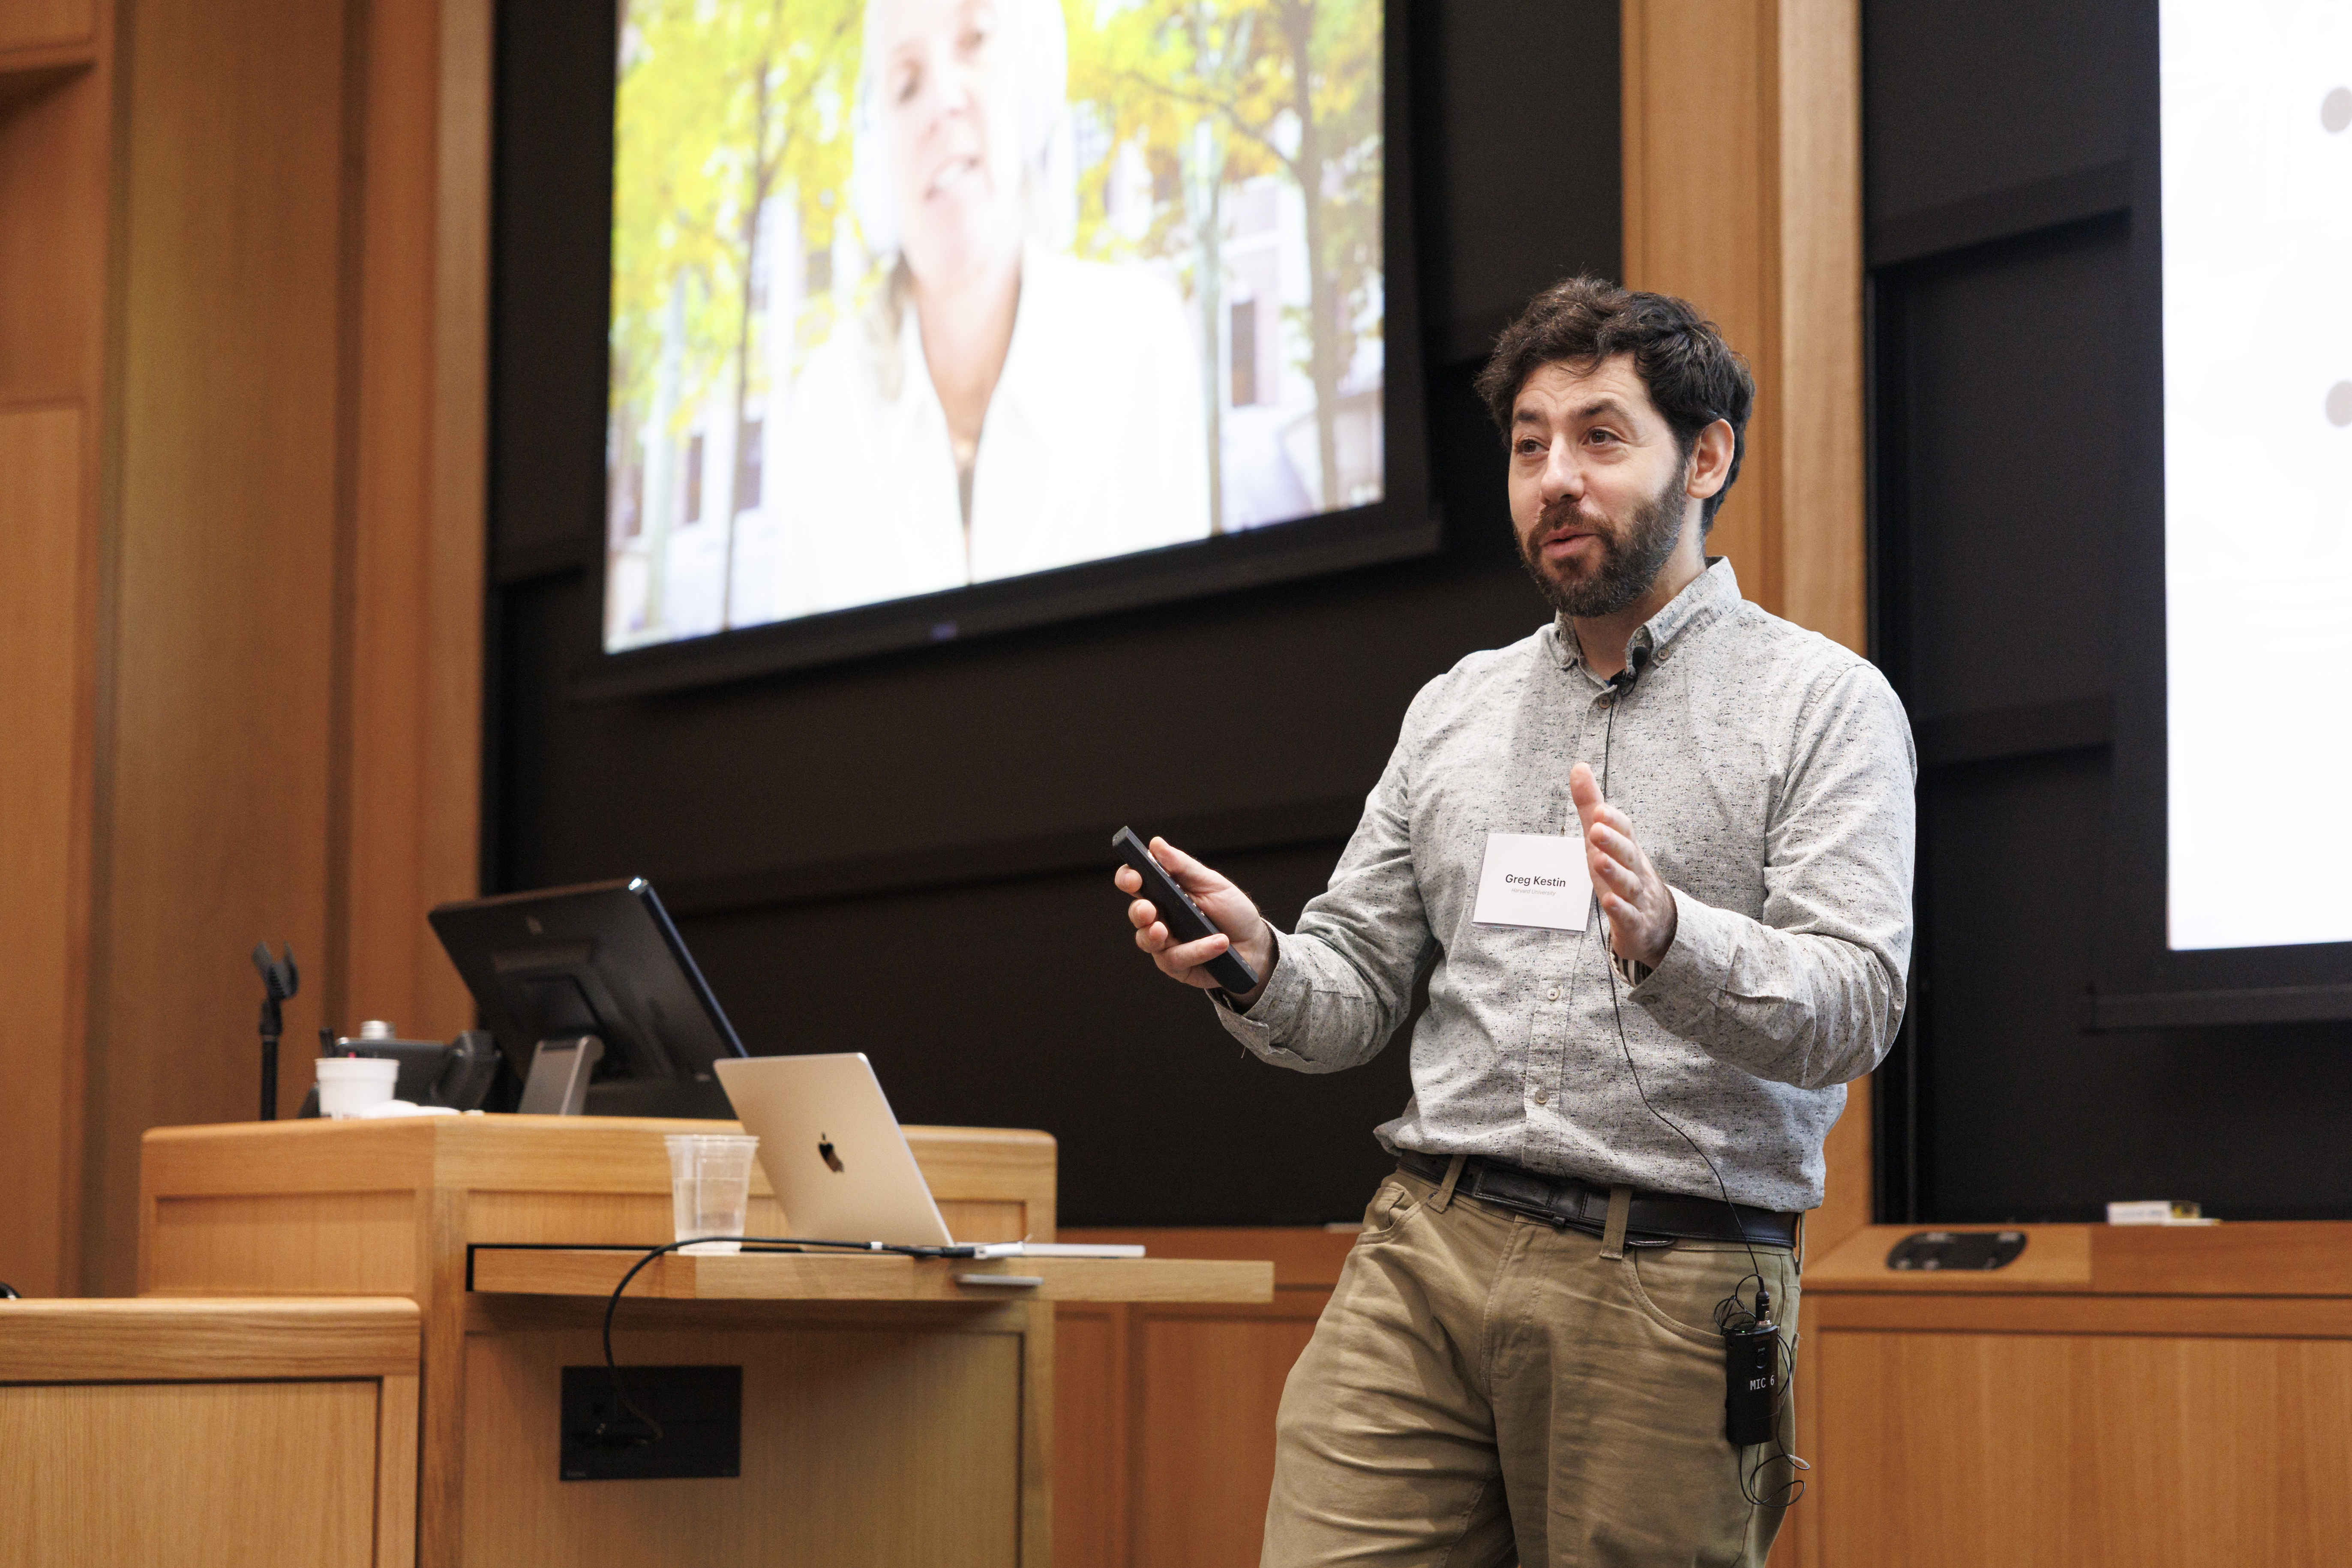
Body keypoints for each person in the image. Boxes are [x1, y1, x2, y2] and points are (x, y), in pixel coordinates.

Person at [1113, 278, 1916, 1567]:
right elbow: (1357, 987)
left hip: (1667, 1277)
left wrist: (1670, 935)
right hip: (1426, 1247)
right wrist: (1259, 965)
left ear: (1706, 456)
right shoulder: (1457, 709)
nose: (1556, 477)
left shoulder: (1823, 704)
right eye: (1530, 442)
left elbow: (1855, 1003)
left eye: (1601, 437)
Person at [773, 0, 1209, 616]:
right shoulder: (824, 414)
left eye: (974, 43)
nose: (942, 100)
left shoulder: (1143, 344)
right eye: (905, 86)